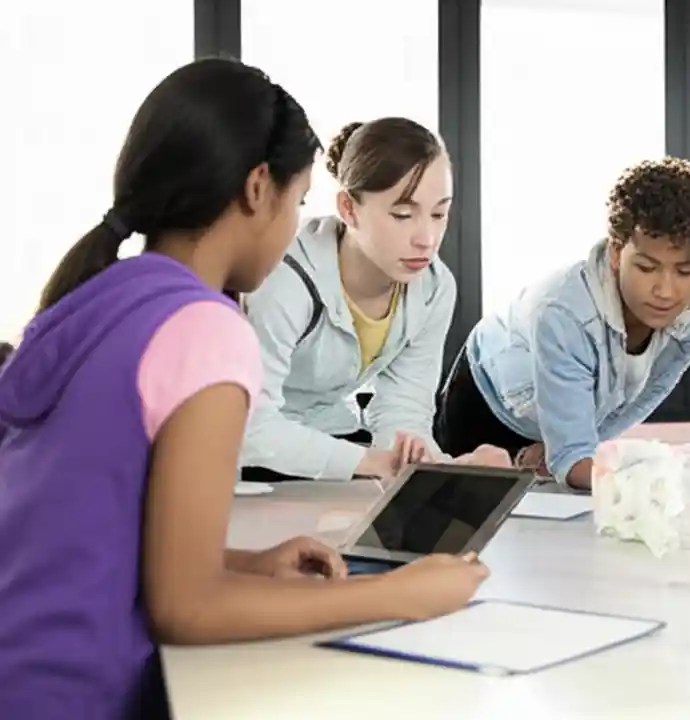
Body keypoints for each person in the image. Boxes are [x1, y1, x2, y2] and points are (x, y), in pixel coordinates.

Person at [0, 59, 488, 718]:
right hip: (71, 691)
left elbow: (85, 534)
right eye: (300, 202)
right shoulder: (206, 327)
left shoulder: (105, 294)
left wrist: (247, 563)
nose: (297, 228)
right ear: (259, 189)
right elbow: (188, 608)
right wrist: (402, 594)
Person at [239, 118, 508, 482]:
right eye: (402, 215)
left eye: (439, 214)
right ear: (349, 209)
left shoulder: (433, 287)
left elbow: (404, 413)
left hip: (334, 439)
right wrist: (374, 464)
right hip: (253, 459)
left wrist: (435, 466)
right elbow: (251, 426)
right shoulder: (286, 281)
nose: (427, 239)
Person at [435, 157, 690, 490]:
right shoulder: (564, 312)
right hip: (485, 401)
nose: (666, 291)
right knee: (463, 514)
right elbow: (572, 459)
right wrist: (643, 484)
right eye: (646, 268)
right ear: (617, 254)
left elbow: (647, 391)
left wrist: (576, 447)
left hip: (564, 415)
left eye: (685, 271)